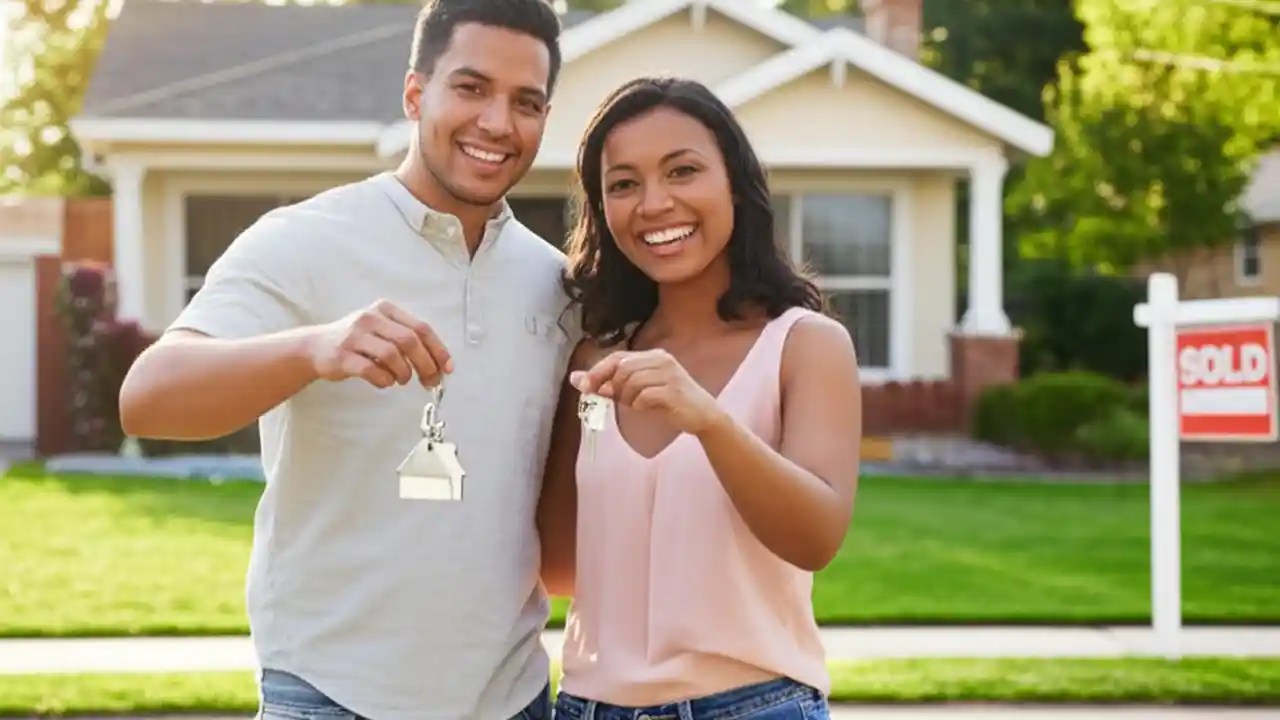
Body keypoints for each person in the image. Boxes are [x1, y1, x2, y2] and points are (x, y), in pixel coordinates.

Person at [117, 1, 575, 719]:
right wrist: (313, 349)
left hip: (511, 698)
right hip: (331, 693)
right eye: (471, 87)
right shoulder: (302, 241)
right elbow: (148, 398)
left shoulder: (558, 286)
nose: (497, 122)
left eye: (526, 102)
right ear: (415, 93)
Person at [535, 77, 862, 720]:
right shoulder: (593, 364)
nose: (655, 203)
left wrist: (709, 422)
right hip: (588, 706)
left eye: (682, 171)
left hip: (754, 705)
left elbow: (816, 537)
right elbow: (560, 570)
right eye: (624, 184)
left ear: (734, 183)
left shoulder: (805, 346)